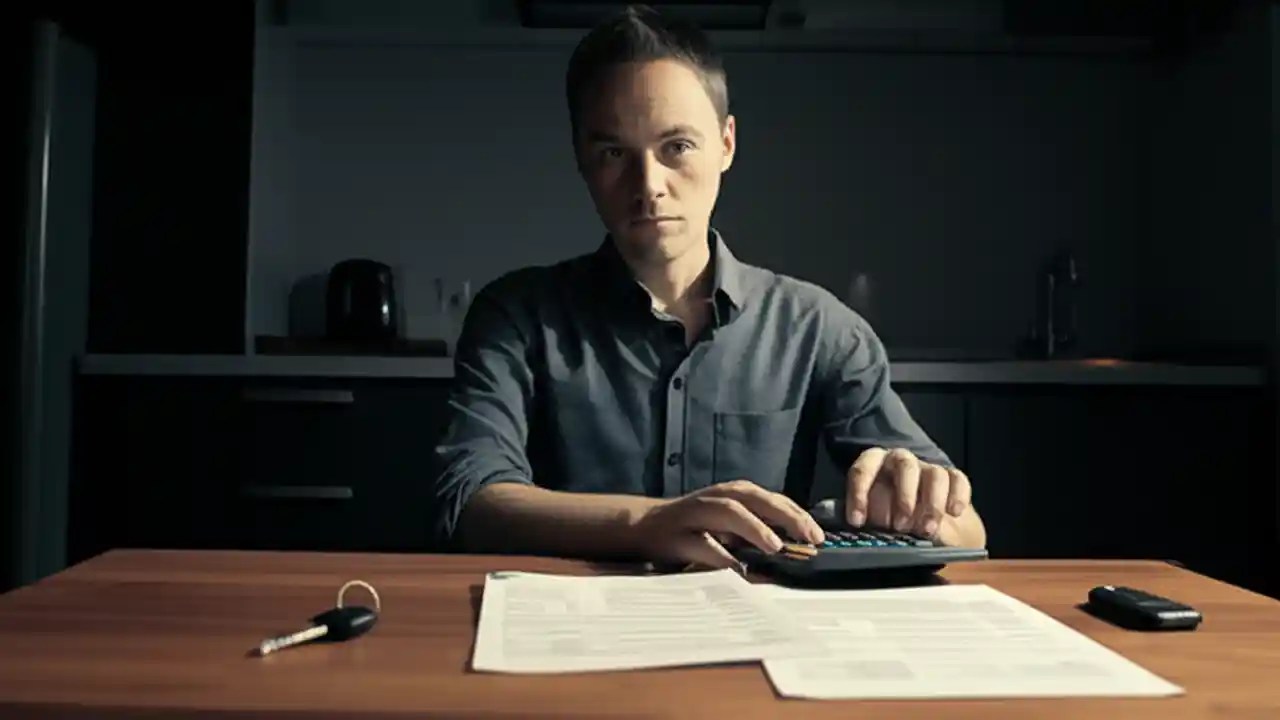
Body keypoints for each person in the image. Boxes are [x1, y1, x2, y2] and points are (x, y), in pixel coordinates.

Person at [429, 4, 986, 569]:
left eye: (677, 147)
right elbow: (469, 499)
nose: (649, 186)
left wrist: (924, 504)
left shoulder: (820, 330)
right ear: (581, 159)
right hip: (568, 629)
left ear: (726, 144)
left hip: (757, 630)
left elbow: (967, 530)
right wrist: (647, 523)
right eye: (614, 152)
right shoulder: (516, 317)